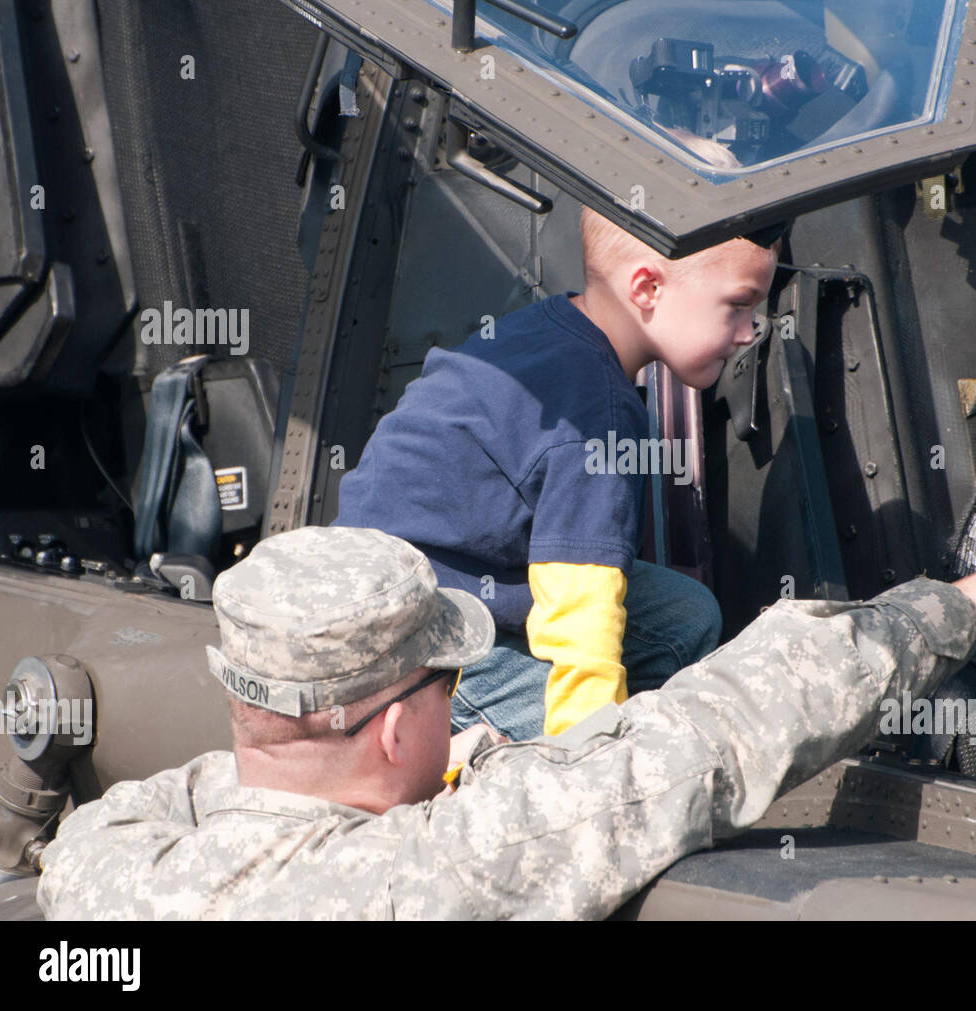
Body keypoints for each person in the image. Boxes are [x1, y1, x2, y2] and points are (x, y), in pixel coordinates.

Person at [37, 515, 976, 920]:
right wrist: (961, 605)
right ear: (384, 726)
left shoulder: (103, 859)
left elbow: (197, 793)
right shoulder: (428, 874)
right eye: (448, 684)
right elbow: (701, 737)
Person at [333, 210, 781, 740]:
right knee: (573, 726)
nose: (749, 331)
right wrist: (587, 753)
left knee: (685, 615)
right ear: (646, 288)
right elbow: (580, 614)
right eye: (738, 306)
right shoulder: (597, 416)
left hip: (414, 580)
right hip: (413, 638)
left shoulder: (552, 329)